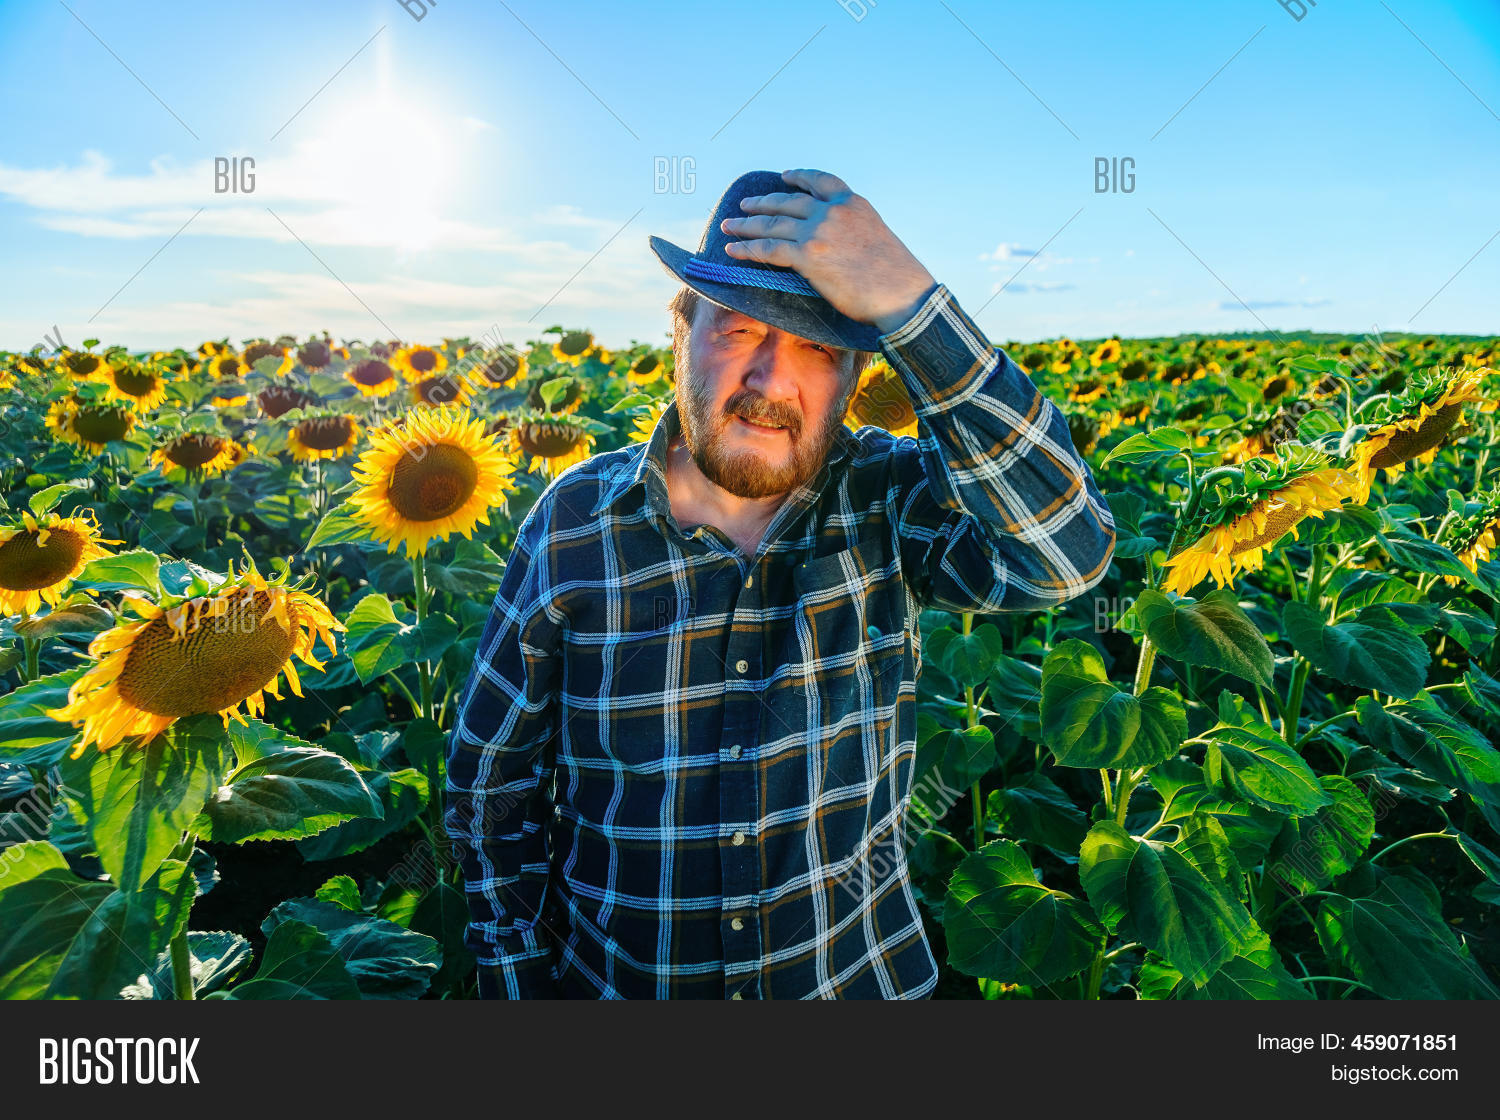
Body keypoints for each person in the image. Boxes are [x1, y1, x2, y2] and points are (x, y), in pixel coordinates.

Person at [446, 168, 1116, 999]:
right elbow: (491, 796)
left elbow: (1066, 553)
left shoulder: (890, 500)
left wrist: (912, 304)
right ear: (679, 328)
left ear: (852, 379)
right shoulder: (575, 526)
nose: (771, 382)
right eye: (736, 330)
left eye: (817, 348)